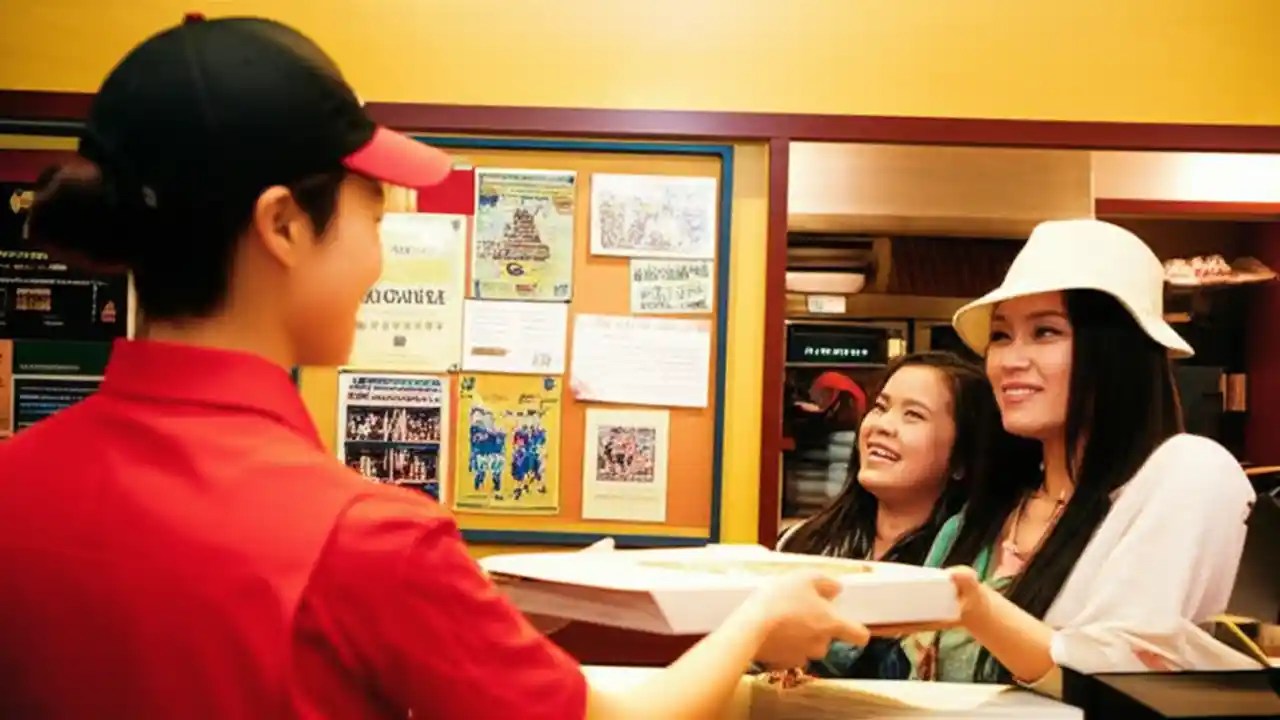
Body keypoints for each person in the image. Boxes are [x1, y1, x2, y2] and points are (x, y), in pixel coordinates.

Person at [0, 16, 868, 720]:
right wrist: (759, 616)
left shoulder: (14, 484)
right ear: (284, 226)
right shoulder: (369, 537)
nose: (382, 257)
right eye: (372, 216)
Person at [906, 219, 1260, 693]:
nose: (1010, 360)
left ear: (1118, 351)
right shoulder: (983, 518)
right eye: (1001, 335)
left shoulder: (1188, 473)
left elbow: (1123, 677)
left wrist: (977, 609)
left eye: (1046, 332)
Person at [779, 352, 1035, 678]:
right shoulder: (800, 542)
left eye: (913, 415)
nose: (883, 426)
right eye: (880, 407)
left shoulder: (969, 573)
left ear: (961, 460)